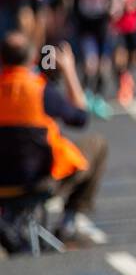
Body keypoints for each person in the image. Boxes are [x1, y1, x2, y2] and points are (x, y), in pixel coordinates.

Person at [0, 33, 109, 246]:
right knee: (97, 145)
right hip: (40, 180)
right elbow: (80, 117)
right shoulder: (41, 91)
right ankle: (69, 221)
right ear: (32, 59)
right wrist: (68, 70)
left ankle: (10, 217)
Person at [69, 0, 122, 119]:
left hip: (102, 25)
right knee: (90, 63)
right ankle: (84, 93)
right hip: (86, 25)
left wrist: (115, 6)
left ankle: (98, 96)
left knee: (104, 64)